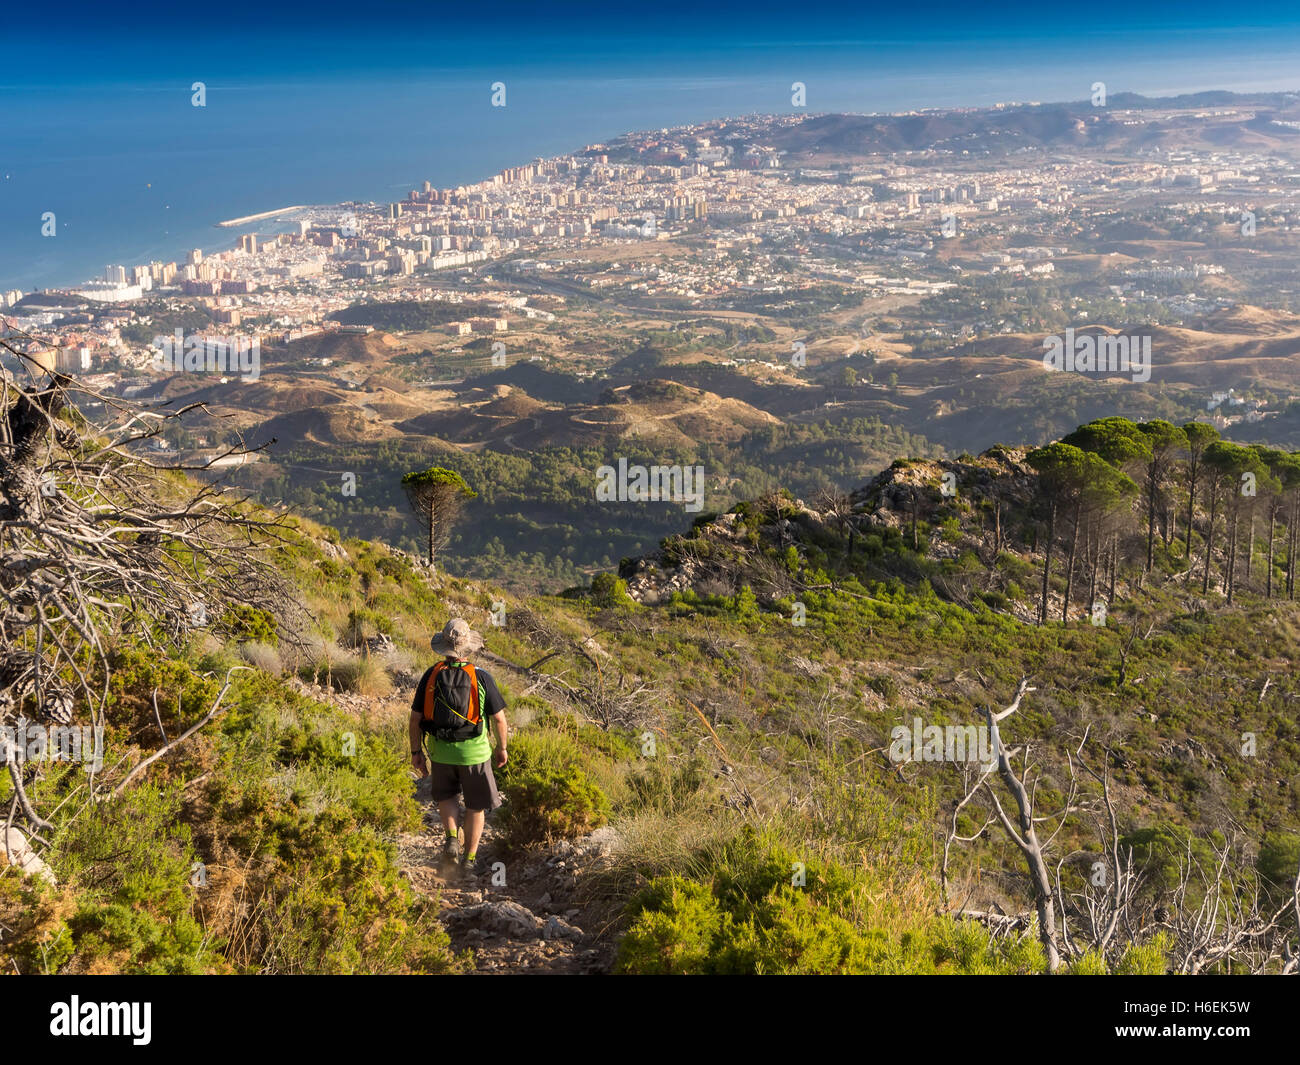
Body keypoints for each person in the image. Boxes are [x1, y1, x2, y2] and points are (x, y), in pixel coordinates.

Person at [409, 618, 508, 877]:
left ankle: (452, 837)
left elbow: (415, 718)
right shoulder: (482, 677)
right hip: (474, 752)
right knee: (476, 806)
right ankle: (469, 860)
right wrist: (502, 748)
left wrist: (416, 752)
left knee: (447, 797)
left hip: (441, 751)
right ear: (468, 647)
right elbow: (499, 719)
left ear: (443, 647)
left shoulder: (431, 676)